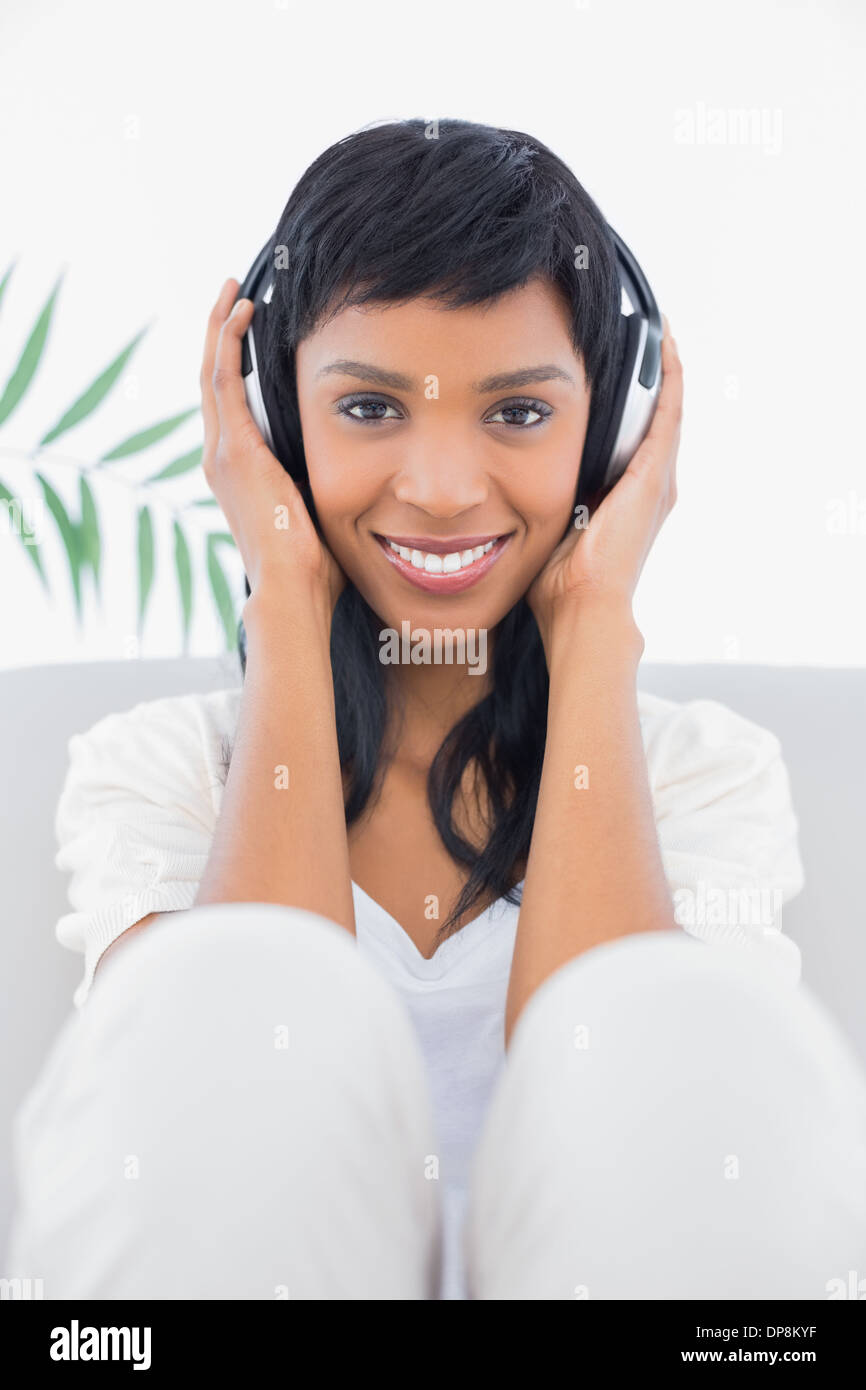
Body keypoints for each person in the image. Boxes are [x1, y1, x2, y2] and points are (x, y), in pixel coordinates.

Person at [6, 119, 866, 1301]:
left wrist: (596, 618)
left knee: (671, 1019)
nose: (444, 489)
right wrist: (288, 600)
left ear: (608, 434)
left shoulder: (700, 774)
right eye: (367, 410)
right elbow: (234, 1111)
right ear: (271, 420)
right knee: (224, 988)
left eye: (516, 413)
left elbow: (623, 1105)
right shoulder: (160, 770)